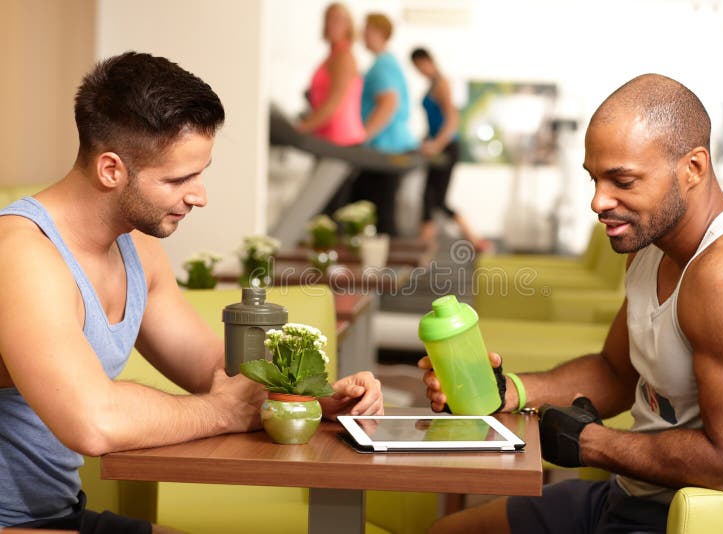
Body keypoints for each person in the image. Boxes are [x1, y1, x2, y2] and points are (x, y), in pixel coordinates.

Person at [0, 51, 383, 532]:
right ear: (111, 169)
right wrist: (223, 411)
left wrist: (304, 398)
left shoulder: (135, 247)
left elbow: (212, 370)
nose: (199, 195)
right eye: (179, 179)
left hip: (58, 517)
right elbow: (93, 421)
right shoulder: (23, 254)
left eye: (200, 173)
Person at [420, 73, 723, 533]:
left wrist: (591, 444)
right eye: (594, 179)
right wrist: (508, 391)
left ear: (694, 168)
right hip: (630, 494)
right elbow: (615, 373)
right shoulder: (649, 246)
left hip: (695, 518)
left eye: (622, 180)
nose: (598, 201)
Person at [410, 47, 490, 252]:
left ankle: (473, 240)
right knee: (429, 197)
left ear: (428, 61)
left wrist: (436, 145)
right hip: (437, 147)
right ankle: (425, 245)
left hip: (447, 148)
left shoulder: (442, 83)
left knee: (437, 199)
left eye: (420, 66)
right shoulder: (432, 85)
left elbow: (452, 119)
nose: (419, 71)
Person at [350, 12, 418, 236]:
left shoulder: (382, 66)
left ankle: (385, 267)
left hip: (384, 149)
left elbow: (388, 103)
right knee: (376, 209)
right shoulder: (386, 63)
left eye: (367, 29)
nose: (362, 34)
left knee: (375, 211)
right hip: (387, 148)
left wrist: (362, 135)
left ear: (379, 32)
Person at [296, 3, 365, 146]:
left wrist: (303, 128)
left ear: (349, 25)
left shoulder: (344, 57)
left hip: (341, 139)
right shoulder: (333, 55)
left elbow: (334, 101)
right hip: (326, 137)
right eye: (330, 19)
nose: (333, 24)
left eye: (339, 20)